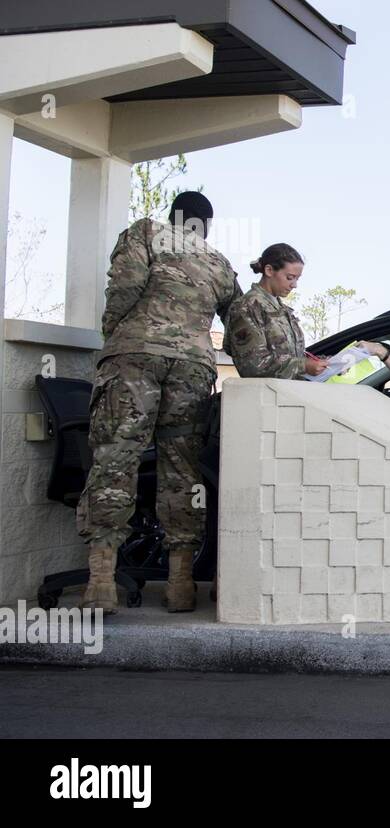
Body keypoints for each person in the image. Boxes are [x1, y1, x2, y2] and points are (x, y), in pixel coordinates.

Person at [77, 191, 241, 613]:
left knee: (116, 458)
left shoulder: (146, 233)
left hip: (135, 357)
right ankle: (181, 584)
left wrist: (115, 334)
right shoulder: (219, 263)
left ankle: (101, 582)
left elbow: (125, 287)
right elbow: (240, 326)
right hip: (194, 367)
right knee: (182, 469)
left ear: (173, 215)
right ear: (207, 225)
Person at [225, 243, 328, 380]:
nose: (294, 285)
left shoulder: (281, 309)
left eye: (297, 279)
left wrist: (324, 363)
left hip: (289, 391)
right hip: (265, 392)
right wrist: (303, 366)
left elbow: (291, 357)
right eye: (290, 277)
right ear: (269, 270)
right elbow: (253, 365)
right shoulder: (247, 307)